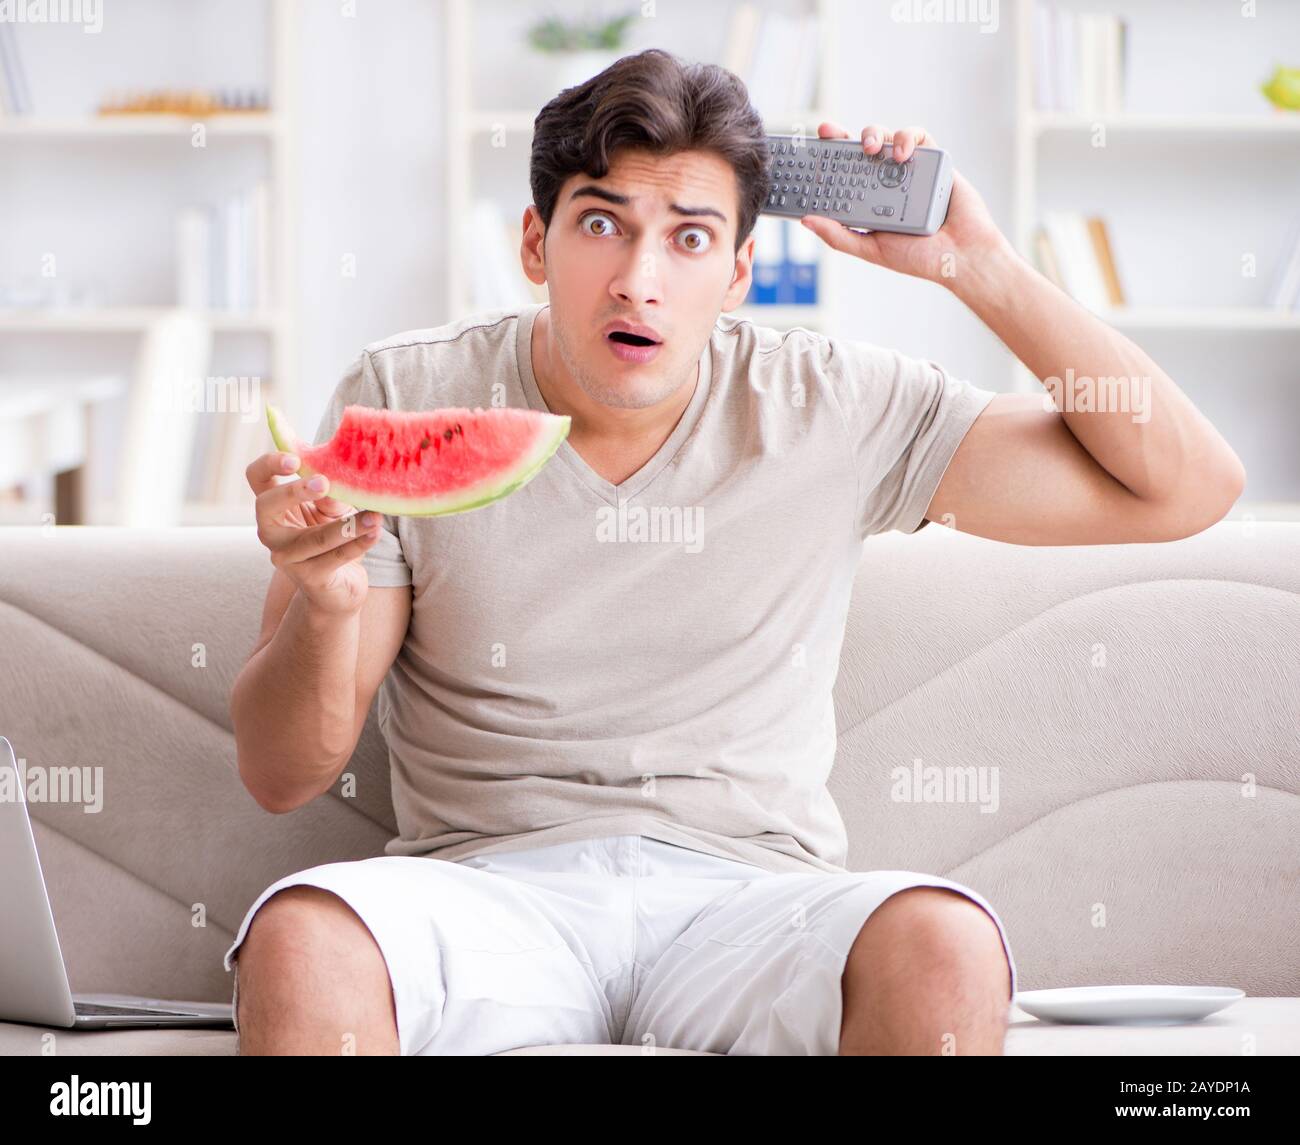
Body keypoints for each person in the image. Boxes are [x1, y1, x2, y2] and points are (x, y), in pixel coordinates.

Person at [225, 49, 1244, 1056]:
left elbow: (1187, 487)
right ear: (533, 242)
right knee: (301, 941)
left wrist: (975, 268)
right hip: (483, 890)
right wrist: (323, 601)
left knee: (946, 942)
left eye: (690, 236)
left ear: (740, 270)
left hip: (752, 902)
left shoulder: (834, 405)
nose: (639, 281)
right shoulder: (405, 395)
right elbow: (280, 774)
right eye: (600, 225)